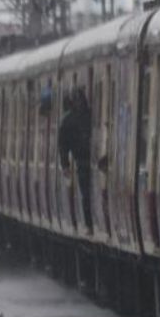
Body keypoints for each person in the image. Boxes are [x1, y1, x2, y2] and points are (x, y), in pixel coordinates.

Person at [57, 88, 94, 232]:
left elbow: (62, 145)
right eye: (77, 100)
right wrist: (65, 164)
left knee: (86, 194)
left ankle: (89, 224)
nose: (79, 103)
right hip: (82, 160)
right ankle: (89, 223)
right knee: (85, 194)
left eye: (80, 100)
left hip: (88, 160)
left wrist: (65, 164)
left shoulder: (86, 117)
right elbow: (63, 146)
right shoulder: (70, 120)